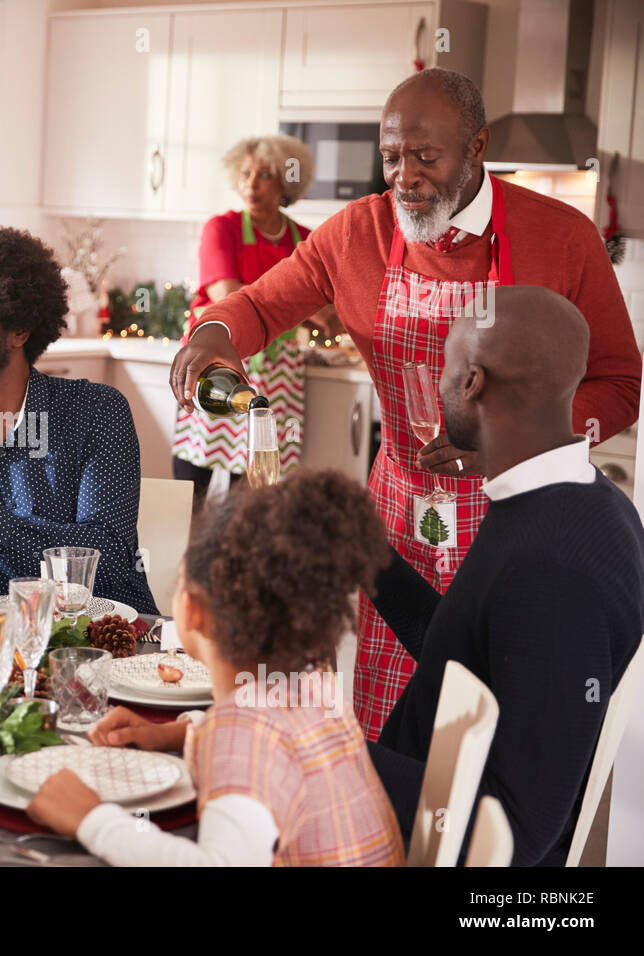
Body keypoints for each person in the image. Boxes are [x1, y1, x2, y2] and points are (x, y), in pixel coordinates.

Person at [168, 67, 641, 740]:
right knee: (392, 715)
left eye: (427, 157)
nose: (406, 177)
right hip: (398, 516)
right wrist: (212, 333)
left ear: (476, 148)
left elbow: (621, 384)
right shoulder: (356, 232)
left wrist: (515, 440)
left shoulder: (563, 237)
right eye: (392, 158)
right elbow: (259, 305)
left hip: (514, 512)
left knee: (494, 719)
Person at [366, 286, 644, 866]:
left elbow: (515, 831)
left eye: (444, 364)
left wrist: (319, 749)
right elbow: (470, 651)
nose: (437, 381)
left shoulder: (557, 564)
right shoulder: (575, 500)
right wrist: (369, 558)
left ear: (472, 382)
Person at [26, 471, 403, 866]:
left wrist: (93, 819)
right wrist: (172, 734)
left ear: (193, 610)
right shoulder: (311, 683)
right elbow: (278, 745)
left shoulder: (242, 732)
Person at [0, 223, 157, 613]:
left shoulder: (97, 412)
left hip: (105, 636)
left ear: (18, 329)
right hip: (0, 649)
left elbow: (108, 562)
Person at [174, 135, 339, 505]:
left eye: (264, 174)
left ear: (286, 181)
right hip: (216, 367)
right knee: (193, 483)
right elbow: (229, 298)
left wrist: (318, 313)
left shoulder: (305, 240)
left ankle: (235, 562)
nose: (251, 183)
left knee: (251, 491)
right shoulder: (222, 229)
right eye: (245, 173)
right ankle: (185, 557)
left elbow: (328, 315)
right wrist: (306, 310)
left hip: (276, 376)